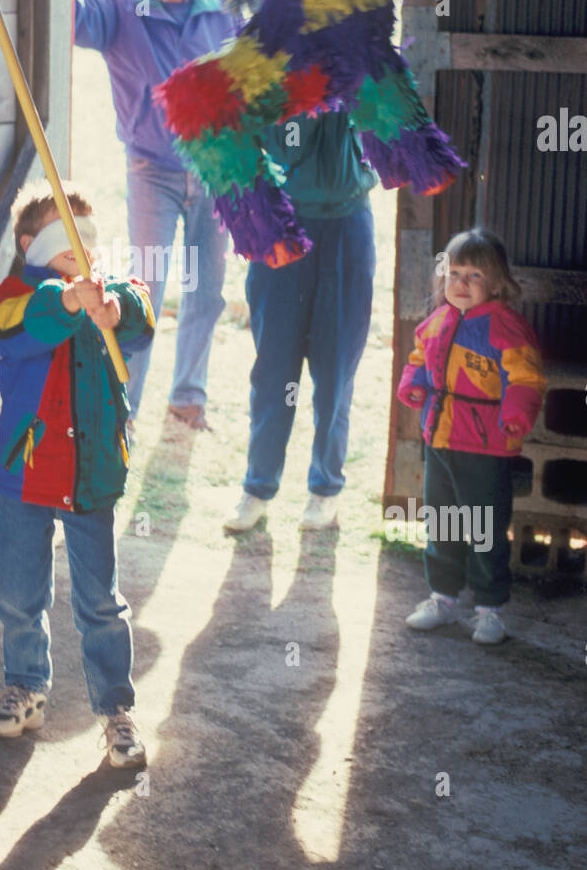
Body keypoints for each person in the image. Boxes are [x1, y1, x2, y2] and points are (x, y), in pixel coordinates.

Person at [0, 180, 155, 766]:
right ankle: (26, 685)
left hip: (91, 472)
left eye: (88, 242)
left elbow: (141, 315)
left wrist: (116, 310)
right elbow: (14, 330)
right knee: (16, 591)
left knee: (99, 601)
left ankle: (114, 708)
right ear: (31, 245)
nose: (82, 256)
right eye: (66, 243)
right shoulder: (16, 295)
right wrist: (65, 301)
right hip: (27, 471)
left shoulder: (106, 291)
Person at [73, 0, 239, 430]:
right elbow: (69, 8)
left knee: (207, 291)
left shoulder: (224, 10)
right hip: (152, 172)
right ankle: (125, 408)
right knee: (143, 290)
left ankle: (188, 399)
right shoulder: (120, 8)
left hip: (216, 172)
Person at [224, 112, 379, 533]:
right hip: (281, 222)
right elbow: (229, 145)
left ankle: (325, 488)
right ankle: (257, 487)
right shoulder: (265, 63)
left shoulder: (359, 55)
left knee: (335, 372)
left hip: (348, 224)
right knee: (274, 369)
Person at [397, 227, 546, 644]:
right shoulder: (436, 321)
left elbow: (526, 379)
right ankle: (443, 599)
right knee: (441, 519)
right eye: (454, 272)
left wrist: (516, 415)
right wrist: (414, 383)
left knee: (484, 525)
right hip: (439, 439)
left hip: (485, 444)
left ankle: (489, 609)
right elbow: (418, 358)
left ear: (497, 283)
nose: (460, 283)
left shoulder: (506, 327)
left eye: (474, 275)